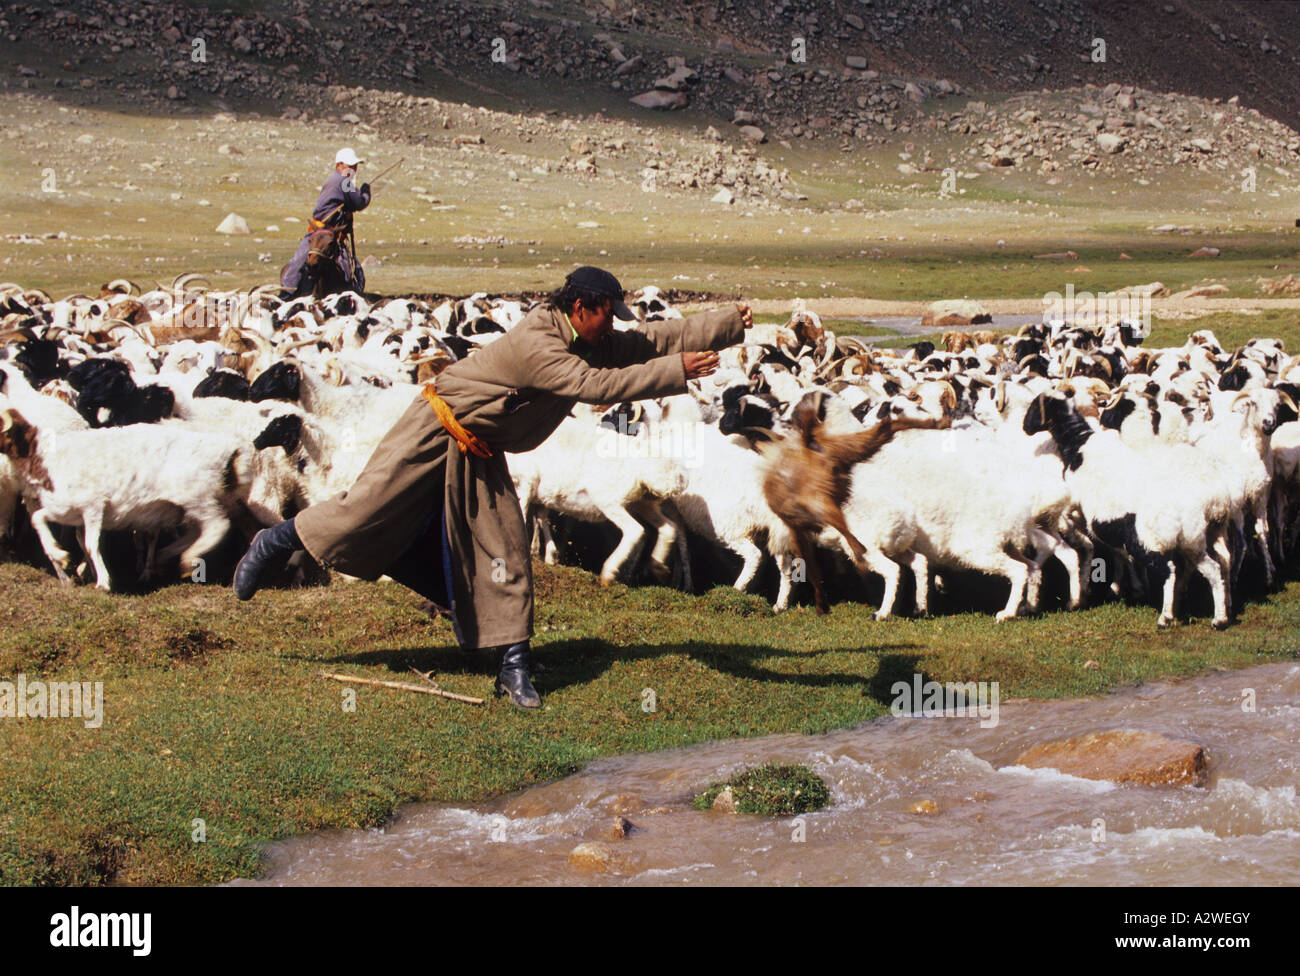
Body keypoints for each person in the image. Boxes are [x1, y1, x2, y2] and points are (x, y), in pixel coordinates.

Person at [234, 266, 753, 708]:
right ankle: (274, 541)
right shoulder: (540, 342)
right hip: (434, 428)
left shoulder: (584, 336)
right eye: (606, 314)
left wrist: (726, 325)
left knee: (505, 547)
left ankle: (512, 664)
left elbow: (647, 342)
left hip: (479, 449)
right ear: (580, 307)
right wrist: (675, 372)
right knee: (362, 512)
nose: (611, 326)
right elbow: (595, 387)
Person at [280, 148, 371, 299]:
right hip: (324, 231)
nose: (354, 169)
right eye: (350, 165)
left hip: (324, 231)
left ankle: (287, 292)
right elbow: (359, 203)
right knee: (349, 268)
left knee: (300, 260)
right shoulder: (344, 181)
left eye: (355, 166)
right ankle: (352, 293)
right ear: (339, 165)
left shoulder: (336, 180)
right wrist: (366, 191)